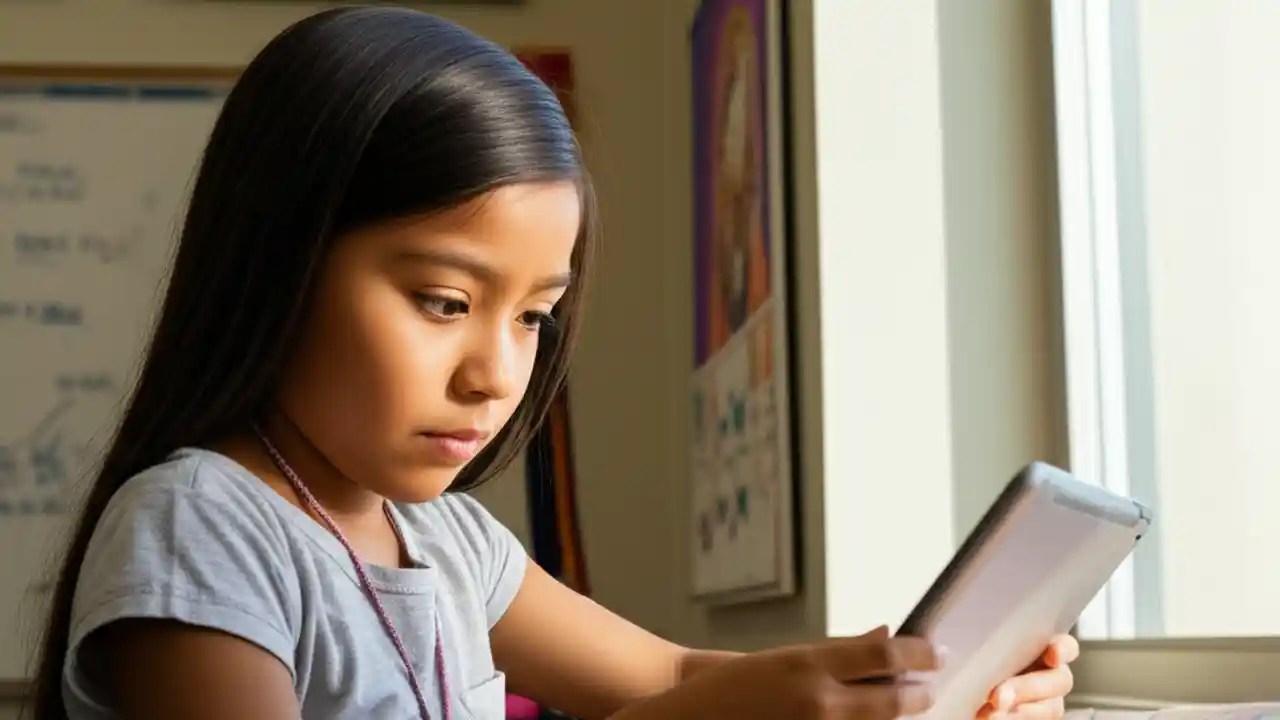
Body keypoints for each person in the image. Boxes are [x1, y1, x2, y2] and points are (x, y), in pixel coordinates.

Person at [28, 8, 1077, 719]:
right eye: (445, 302)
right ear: (280, 261)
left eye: (534, 316)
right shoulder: (199, 526)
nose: (495, 373)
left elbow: (669, 673)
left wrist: (917, 682)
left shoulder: (443, 540)